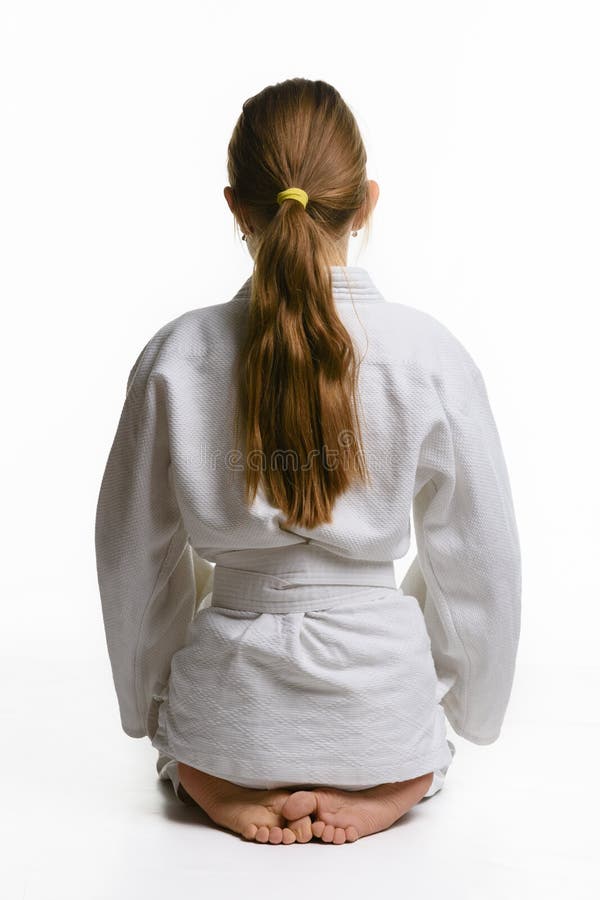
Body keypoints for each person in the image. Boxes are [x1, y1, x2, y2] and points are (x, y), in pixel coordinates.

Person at [95, 77, 521, 846]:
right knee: (420, 744)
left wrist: (152, 706)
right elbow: (481, 564)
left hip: (228, 722)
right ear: (367, 203)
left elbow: (133, 558)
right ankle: (400, 781)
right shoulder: (430, 356)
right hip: (380, 718)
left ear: (235, 207)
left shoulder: (176, 357)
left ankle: (209, 779)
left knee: (196, 737)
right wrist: (461, 709)